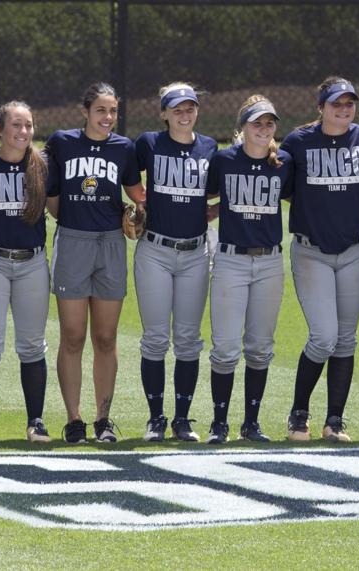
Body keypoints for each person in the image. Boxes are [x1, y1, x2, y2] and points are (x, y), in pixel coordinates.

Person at [281, 77, 359, 442]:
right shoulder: (298, 141)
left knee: (345, 339)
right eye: (335, 103)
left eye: (349, 102)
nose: (343, 109)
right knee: (323, 336)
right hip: (312, 251)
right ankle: (298, 414)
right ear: (320, 106)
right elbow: (287, 189)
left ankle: (335, 421)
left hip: (355, 249)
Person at [45, 82, 143, 444]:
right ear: (85, 111)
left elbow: (136, 194)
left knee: (105, 337)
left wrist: (137, 213)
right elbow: (52, 198)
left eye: (113, 111)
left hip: (110, 244)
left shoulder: (124, 148)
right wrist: (73, 225)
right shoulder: (62, 142)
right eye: (101, 110)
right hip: (73, 240)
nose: (108, 117)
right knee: (73, 335)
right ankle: (74, 419)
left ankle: (103, 419)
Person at [204, 95, 292, 445]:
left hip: (270, 261)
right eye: (257, 122)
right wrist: (213, 210)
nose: (264, 128)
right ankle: (219, 423)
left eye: (269, 123)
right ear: (243, 127)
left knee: (259, 347)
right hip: (231, 260)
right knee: (225, 347)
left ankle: (251, 423)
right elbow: (204, 198)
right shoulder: (224, 160)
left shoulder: (283, 163)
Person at [133, 83, 217, 443]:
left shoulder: (210, 147)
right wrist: (137, 203)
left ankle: (182, 419)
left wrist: (211, 212)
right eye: (177, 108)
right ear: (164, 113)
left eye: (190, 108)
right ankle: (156, 418)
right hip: (155, 249)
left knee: (187, 340)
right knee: (154, 339)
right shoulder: (149, 143)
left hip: (196, 252)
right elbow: (128, 179)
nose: (184, 114)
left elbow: (217, 195)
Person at [0, 101, 52, 443]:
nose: (23, 132)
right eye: (16, 125)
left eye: (28, 125)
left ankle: (35, 421)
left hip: (32, 261)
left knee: (33, 345)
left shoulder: (42, 165)